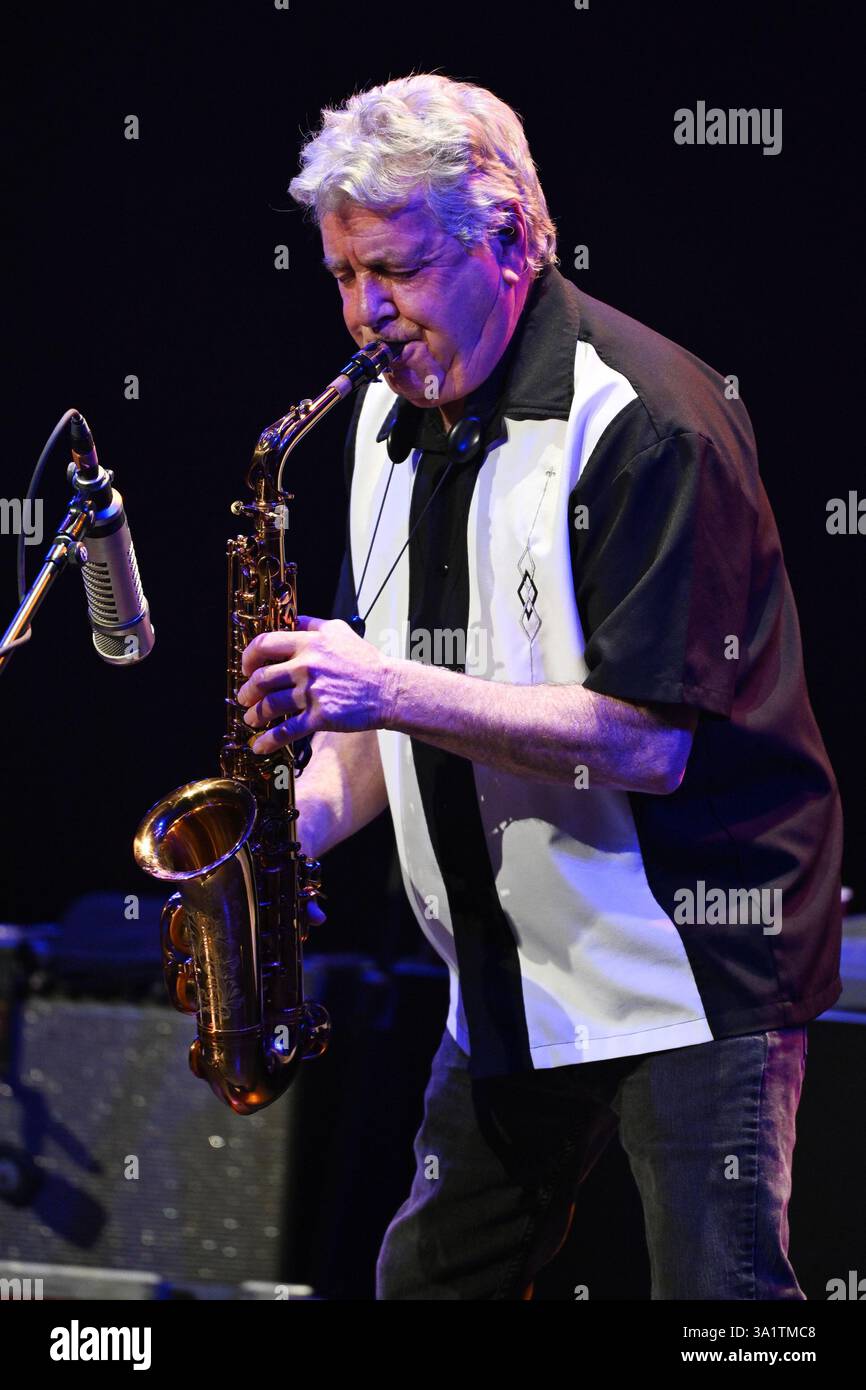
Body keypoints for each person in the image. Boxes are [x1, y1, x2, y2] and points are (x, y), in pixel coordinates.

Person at [236, 73, 843, 1300]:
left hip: (685, 970)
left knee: (723, 1315)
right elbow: (383, 711)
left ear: (510, 238)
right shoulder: (374, 417)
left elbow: (644, 744)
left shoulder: (646, 421)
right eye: (344, 276)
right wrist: (284, 826)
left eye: (395, 271)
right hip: (509, 975)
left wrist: (383, 686)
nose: (365, 313)